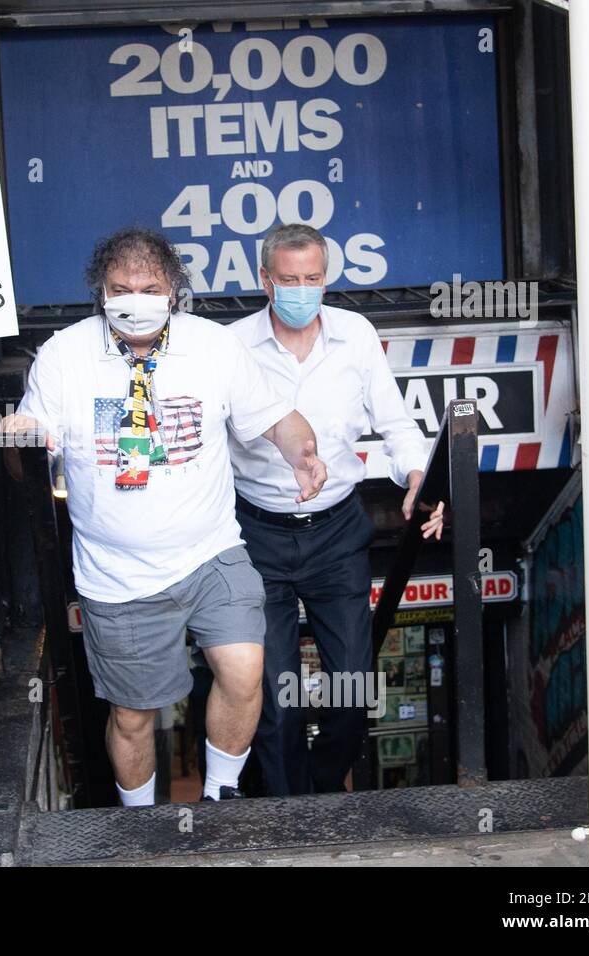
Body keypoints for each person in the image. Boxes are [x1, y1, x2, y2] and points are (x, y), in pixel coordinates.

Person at [1, 227, 327, 806]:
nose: (134, 298)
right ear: (100, 291)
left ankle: (220, 793)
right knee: (133, 715)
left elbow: (277, 416)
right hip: (118, 574)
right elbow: (30, 452)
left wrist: (302, 453)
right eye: (119, 288)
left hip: (211, 552)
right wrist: (16, 441)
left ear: (173, 289)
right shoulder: (63, 355)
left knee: (245, 670)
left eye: (149, 286)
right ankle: (138, 819)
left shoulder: (214, 346)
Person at [228, 223, 444, 796]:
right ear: (264, 279)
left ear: (326, 277)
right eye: (289, 279)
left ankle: (322, 792)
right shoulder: (231, 347)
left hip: (336, 532)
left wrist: (419, 475)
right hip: (257, 537)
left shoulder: (356, 334)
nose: (302, 289)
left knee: (352, 685)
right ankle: (286, 816)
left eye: (313, 278)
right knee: (273, 697)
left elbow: (396, 424)